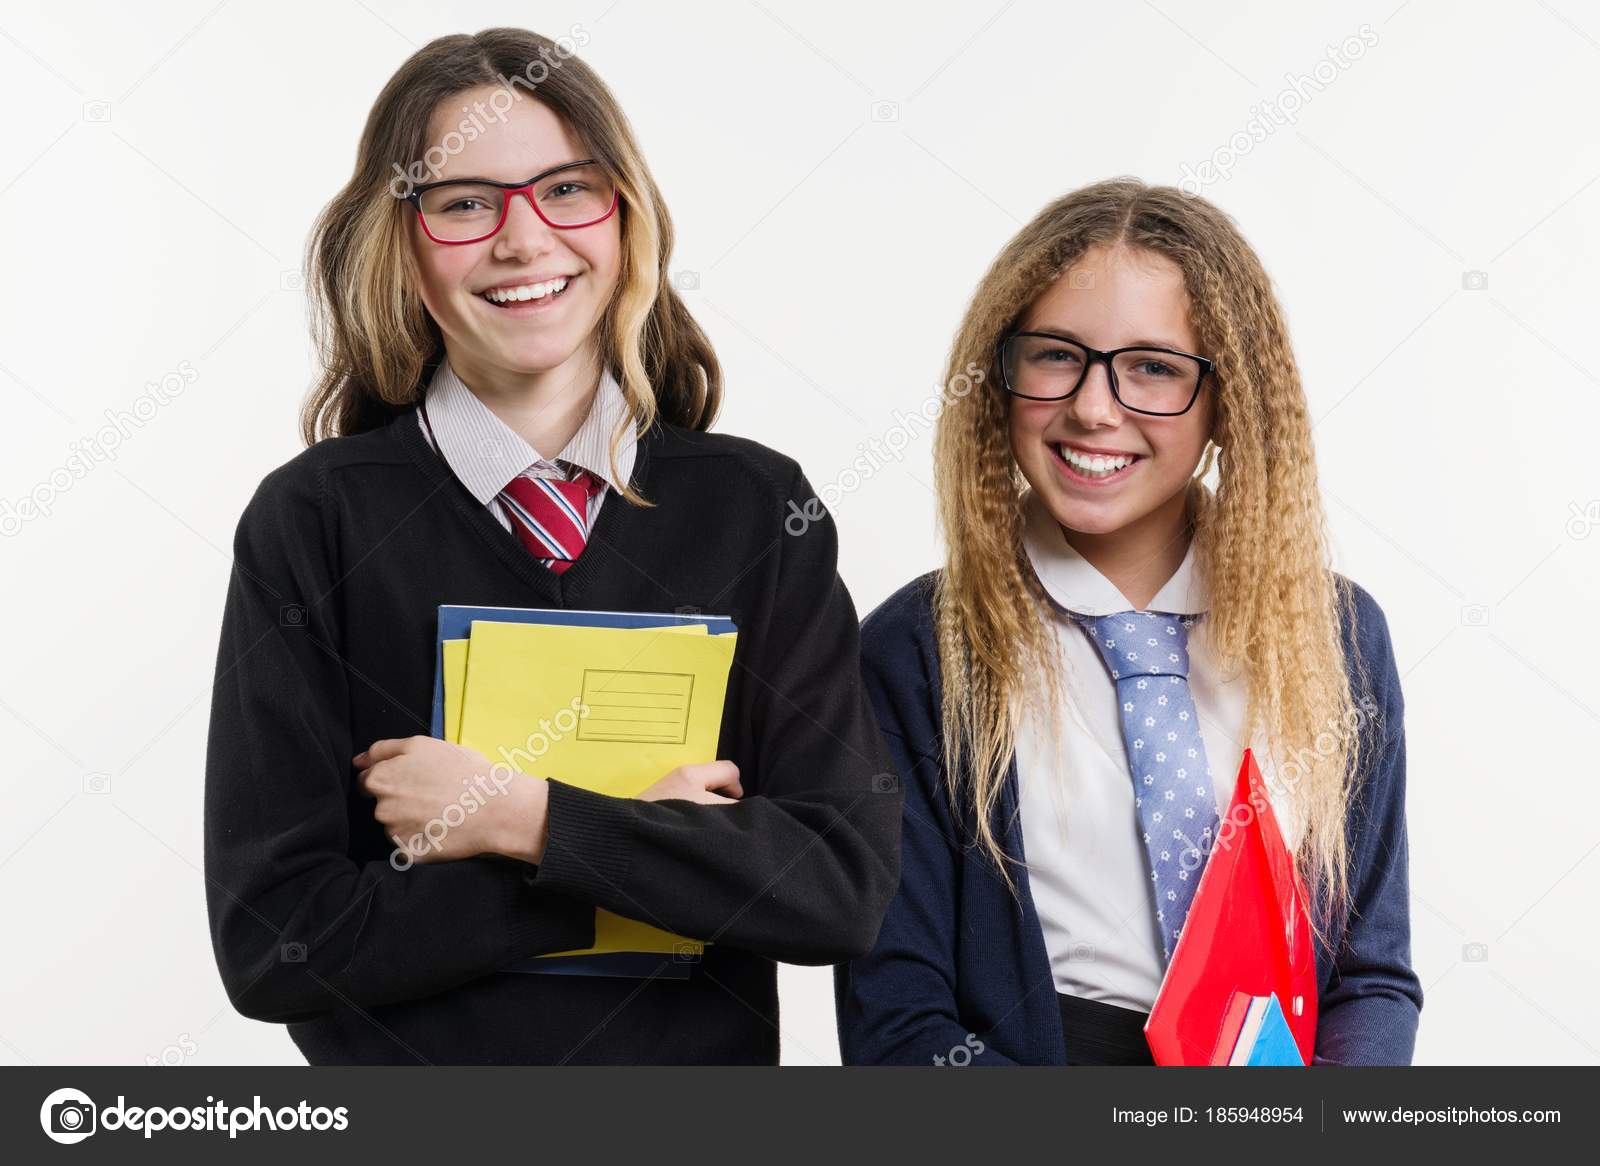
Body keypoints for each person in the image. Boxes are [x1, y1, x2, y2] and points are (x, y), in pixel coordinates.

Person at [204, 27, 899, 1066]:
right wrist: (646, 847)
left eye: (567, 190)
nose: (524, 241)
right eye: (465, 202)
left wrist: (524, 818)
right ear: (400, 239)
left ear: (624, 218)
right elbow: (275, 943)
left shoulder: (756, 508)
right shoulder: (314, 523)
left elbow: (835, 886)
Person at [836, 178, 1421, 1065]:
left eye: (1153, 367)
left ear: (1230, 402)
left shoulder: (1334, 635)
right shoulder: (917, 652)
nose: (1094, 408)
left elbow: (1371, 979)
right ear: (1001, 374)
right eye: (1055, 355)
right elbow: (899, 1021)